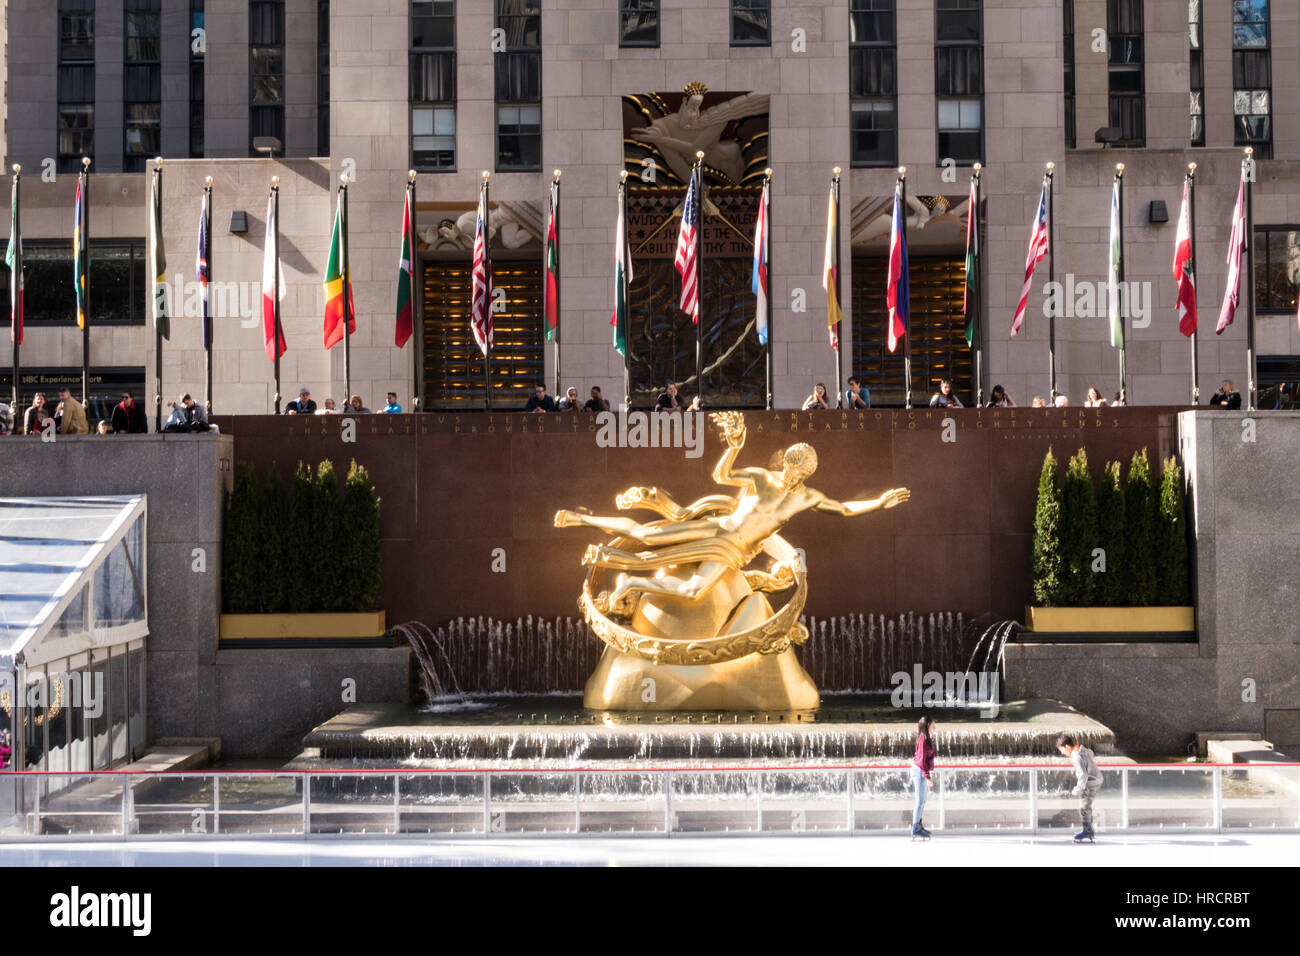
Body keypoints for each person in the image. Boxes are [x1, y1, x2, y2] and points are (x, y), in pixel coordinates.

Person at [1057, 733, 1103, 843]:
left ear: (1067, 747)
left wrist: (1077, 789)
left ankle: (1087, 831)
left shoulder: (1076, 757)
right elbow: (1091, 753)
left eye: (1062, 750)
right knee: (1086, 805)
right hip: (1096, 780)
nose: (1062, 753)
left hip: (1091, 782)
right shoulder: (1080, 750)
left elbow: (1083, 775)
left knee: (1084, 807)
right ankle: (1089, 829)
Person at [911, 715, 936, 840]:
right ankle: (915, 828)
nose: (934, 728)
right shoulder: (923, 740)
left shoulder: (925, 738)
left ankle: (918, 825)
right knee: (920, 800)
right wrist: (927, 777)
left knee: (922, 800)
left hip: (921, 771)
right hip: (919, 771)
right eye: (933, 726)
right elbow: (921, 761)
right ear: (927, 726)